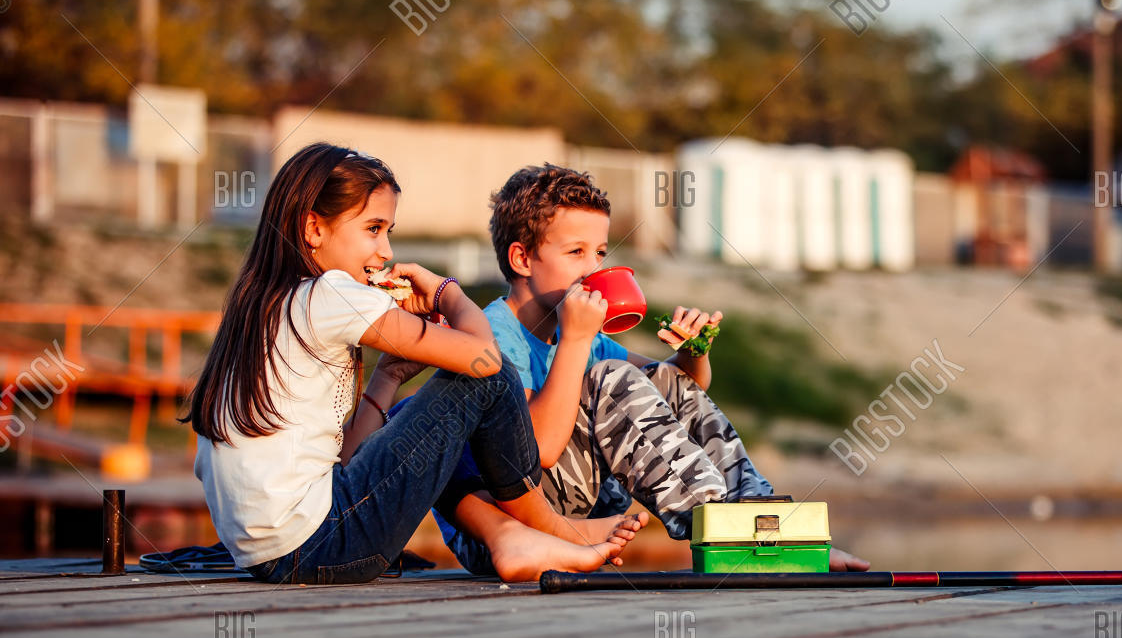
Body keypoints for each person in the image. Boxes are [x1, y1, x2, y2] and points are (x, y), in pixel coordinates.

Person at [185, 143, 640, 585]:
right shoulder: (330, 293)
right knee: (490, 377)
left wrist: (386, 377)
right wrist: (450, 295)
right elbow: (484, 361)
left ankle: (508, 535)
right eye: (373, 228)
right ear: (313, 229)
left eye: (389, 231)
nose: (385, 251)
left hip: (279, 555)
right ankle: (553, 529)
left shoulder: (264, 308)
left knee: (411, 411)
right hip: (324, 542)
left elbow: (345, 460)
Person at [428, 163, 869, 575]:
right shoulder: (492, 333)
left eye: (599, 252)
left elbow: (677, 390)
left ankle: (768, 527)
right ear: (522, 259)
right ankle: (735, 538)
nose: (593, 269)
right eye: (576, 252)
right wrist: (578, 341)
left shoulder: (580, 333)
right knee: (611, 379)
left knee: (656, 377)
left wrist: (692, 352)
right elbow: (536, 449)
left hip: (583, 509)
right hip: (513, 525)